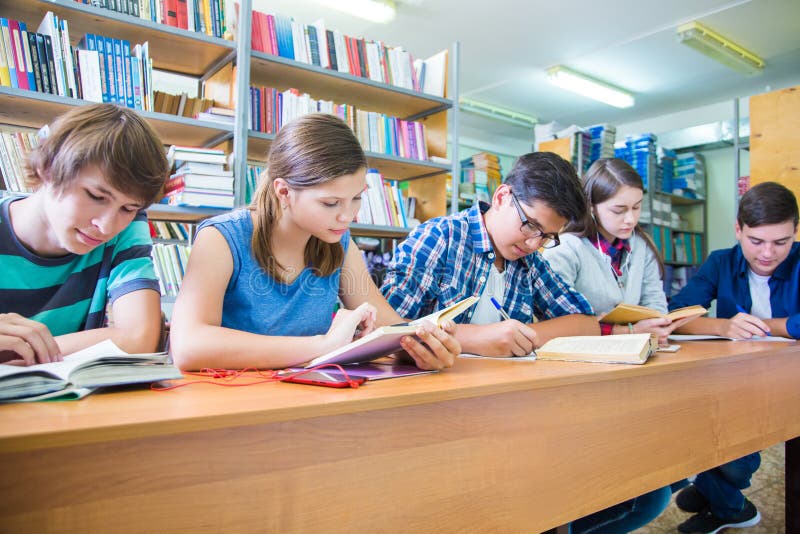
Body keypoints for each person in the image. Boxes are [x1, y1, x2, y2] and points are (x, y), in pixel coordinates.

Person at [169, 113, 460, 371]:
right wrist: (324, 346)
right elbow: (189, 345)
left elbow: (390, 327)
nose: (347, 216)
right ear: (284, 191)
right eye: (330, 203)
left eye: (357, 197)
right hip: (224, 404)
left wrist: (419, 347)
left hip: (305, 403)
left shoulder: (339, 243)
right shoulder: (221, 238)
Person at [542, 158, 695, 532]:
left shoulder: (639, 246)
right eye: (619, 209)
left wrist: (659, 323)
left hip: (635, 369)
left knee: (676, 462)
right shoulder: (567, 248)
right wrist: (624, 330)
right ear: (591, 206)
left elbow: (656, 302)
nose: (630, 219)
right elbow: (551, 321)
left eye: (637, 207)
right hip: (579, 380)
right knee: (644, 489)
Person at [668, 181, 799, 534]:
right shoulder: (721, 261)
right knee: (707, 434)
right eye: (756, 241)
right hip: (735, 378)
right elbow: (675, 313)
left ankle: (722, 500)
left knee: (739, 454)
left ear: (795, 233)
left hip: (789, 381)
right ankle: (724, 498)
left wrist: (765, 326)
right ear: (738, 230)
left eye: (781, 242)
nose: (768, 253)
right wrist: (724, 325)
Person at [380, 152, 598, 357]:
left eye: (547, 236)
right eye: (530, 225)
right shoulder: (440, 238)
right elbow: (384, 330)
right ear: (502, 197)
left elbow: (587, 325)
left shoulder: (530, 262)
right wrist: (476, 338)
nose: (534, 244)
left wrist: (520, 335)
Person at [0, 103, 170, 365]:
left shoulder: (127, 227)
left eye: (127, 207)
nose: (107, 226)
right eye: (96, 196)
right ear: (48, 168)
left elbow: (139, 337)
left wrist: (26, 348)